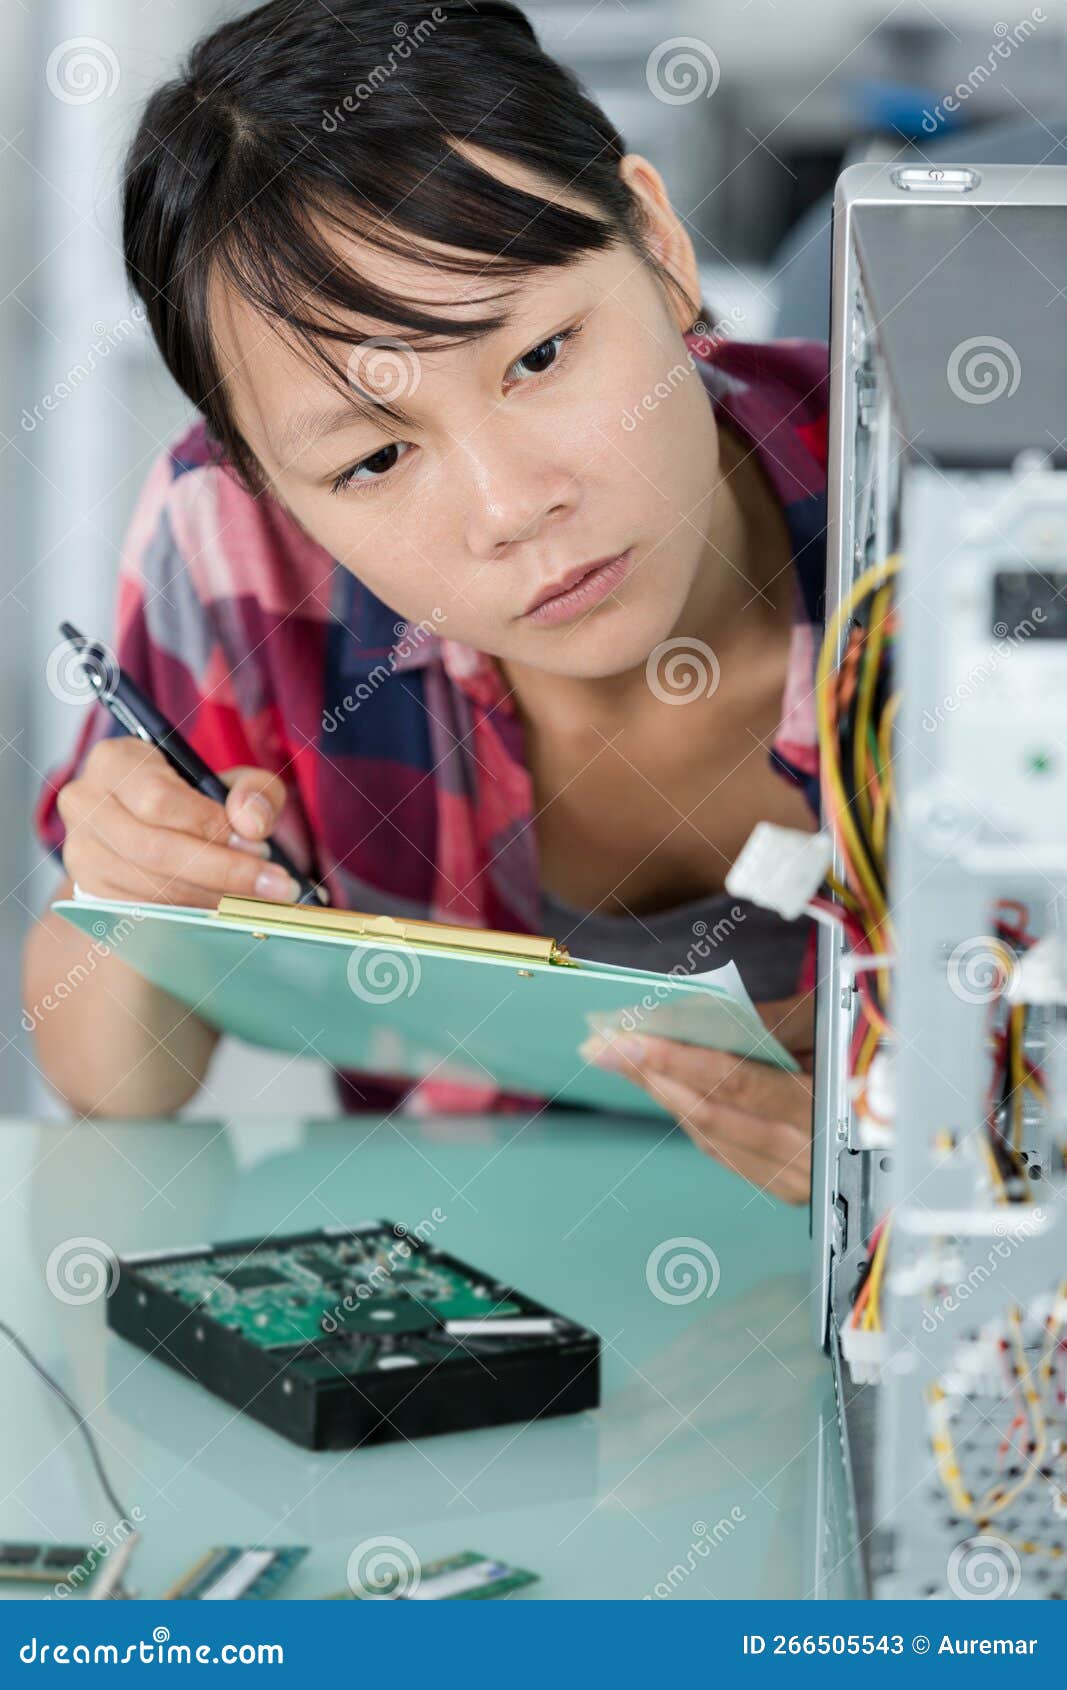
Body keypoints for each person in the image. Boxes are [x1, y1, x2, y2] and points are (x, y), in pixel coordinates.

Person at [23, 0, 828, 1204]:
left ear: (658, 247)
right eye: (371, 461)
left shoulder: (952, 516)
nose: (509, 506)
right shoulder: (232, 547)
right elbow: (119, 1084)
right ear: (264, 483)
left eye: (539, 357)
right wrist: (133, 898)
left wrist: (930, 1157)